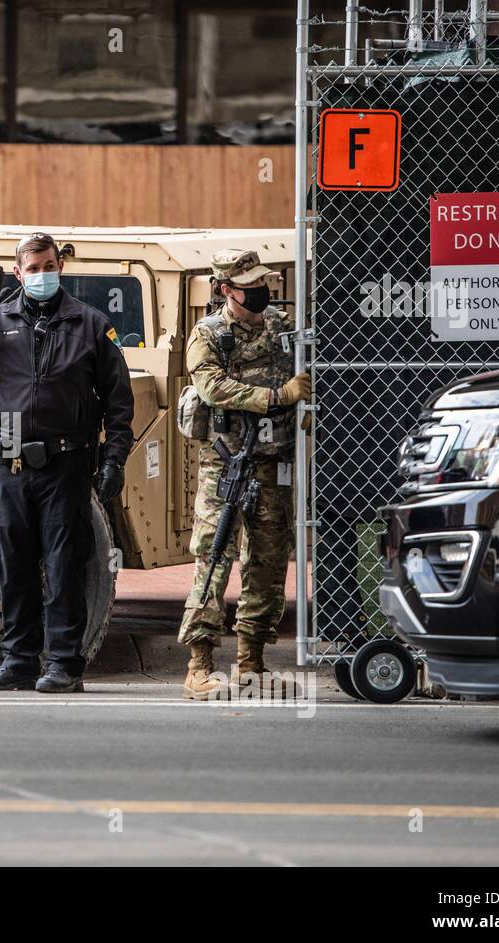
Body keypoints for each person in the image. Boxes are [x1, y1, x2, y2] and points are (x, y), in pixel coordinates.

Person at [0, 233, 133, 693]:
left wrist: (114, 459)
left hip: (66, 462)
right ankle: (19, 660)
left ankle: (65, 663)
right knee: (13, 563)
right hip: (10, 463)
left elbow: (118, 401)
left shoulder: (89, 324)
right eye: (33, 268)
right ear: (17, 273)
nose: (42, 274)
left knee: (64, 564)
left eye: (49, 266)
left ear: (59, 267)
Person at [177, 249, 310, 699]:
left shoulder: (281, 327)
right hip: (226, 463)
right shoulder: (208, 334)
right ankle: (199, 665)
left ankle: (251, 663)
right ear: (224, 289)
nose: (259, 292)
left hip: (275, 463)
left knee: (269, 564)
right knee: (213, 560)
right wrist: (277, 396)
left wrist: (302, 400)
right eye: (248, 286)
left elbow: (307, 374)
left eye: (261, 284)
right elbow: (211, 387)